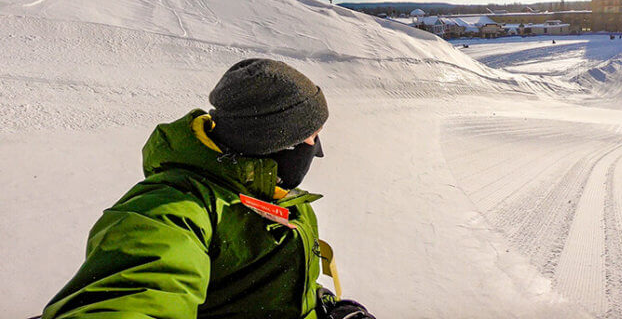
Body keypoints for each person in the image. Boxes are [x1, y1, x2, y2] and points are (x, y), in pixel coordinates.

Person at [40, 58, 375, 319]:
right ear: (274, 140)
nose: (317, 149)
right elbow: (127, 296)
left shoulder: (269, 189)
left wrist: (322, 305)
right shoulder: (172, 210)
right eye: (312, 135)